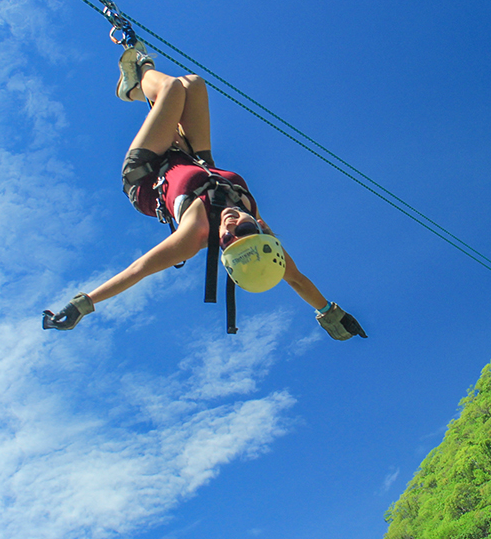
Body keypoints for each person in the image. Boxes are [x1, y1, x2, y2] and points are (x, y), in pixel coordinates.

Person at [42, 44, 366, 340]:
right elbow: (295, 279)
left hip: (148, 171)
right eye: (246, 229)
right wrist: (331, 314)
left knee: (171, 88)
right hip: (196, 161)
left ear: (221, 246)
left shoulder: (194, 235)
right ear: (262, 231)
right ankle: (139, 89)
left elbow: (138, 270)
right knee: (193, 84)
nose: (230, 224)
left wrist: (81, 306)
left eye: (227, 238)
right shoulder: (252, 216)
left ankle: (138, 78)